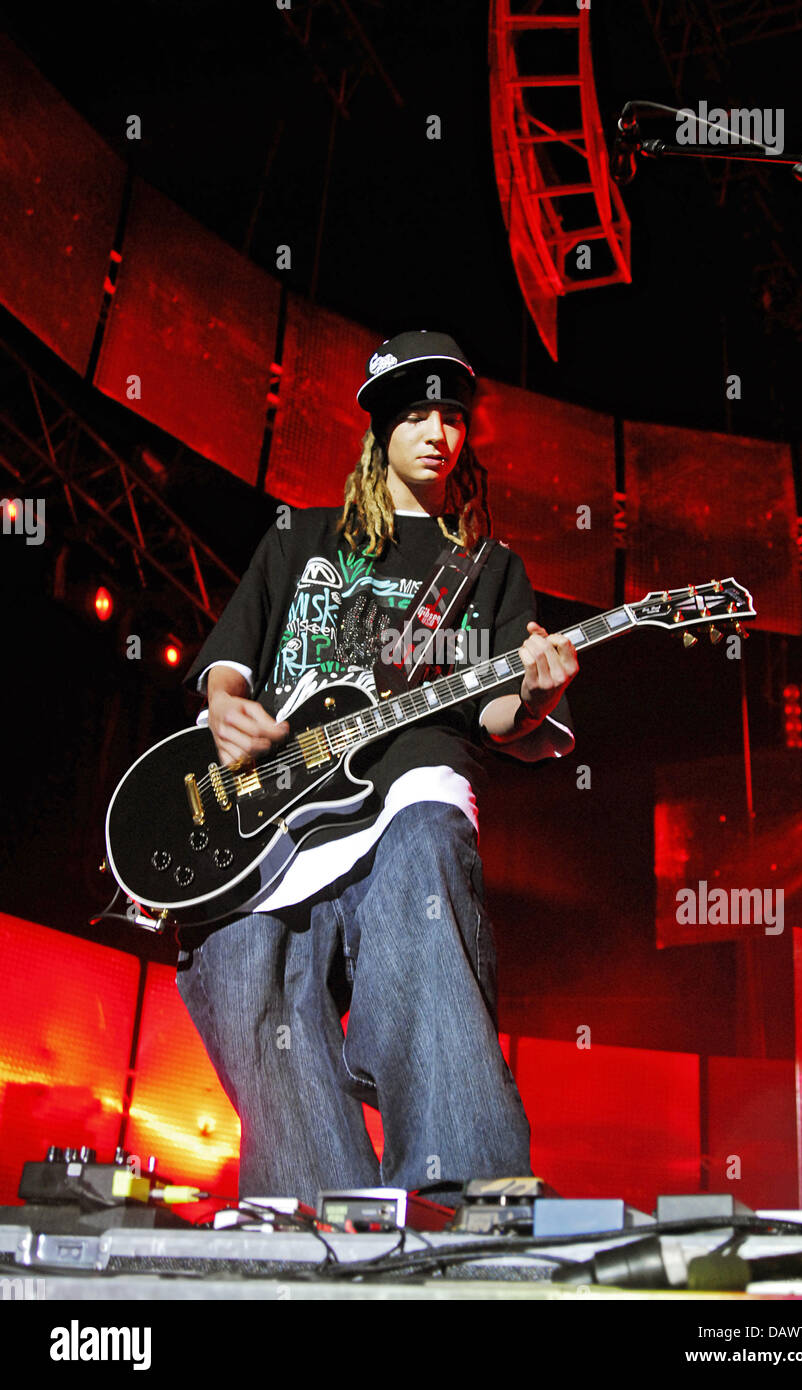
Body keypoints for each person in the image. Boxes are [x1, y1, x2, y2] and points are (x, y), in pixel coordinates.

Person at [177, 330, 578, 1208]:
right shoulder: (302, 537)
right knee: (240, 958)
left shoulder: (489, 567)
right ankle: (313, 1200)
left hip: (408, 783)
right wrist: (224, 703)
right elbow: (230, 657)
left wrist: (539, 694)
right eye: (418, 413)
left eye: (453, 415)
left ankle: (476, 1176)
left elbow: (502, 716)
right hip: (282, 801)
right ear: (380, 429)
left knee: (423, 862)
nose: (440, 430)